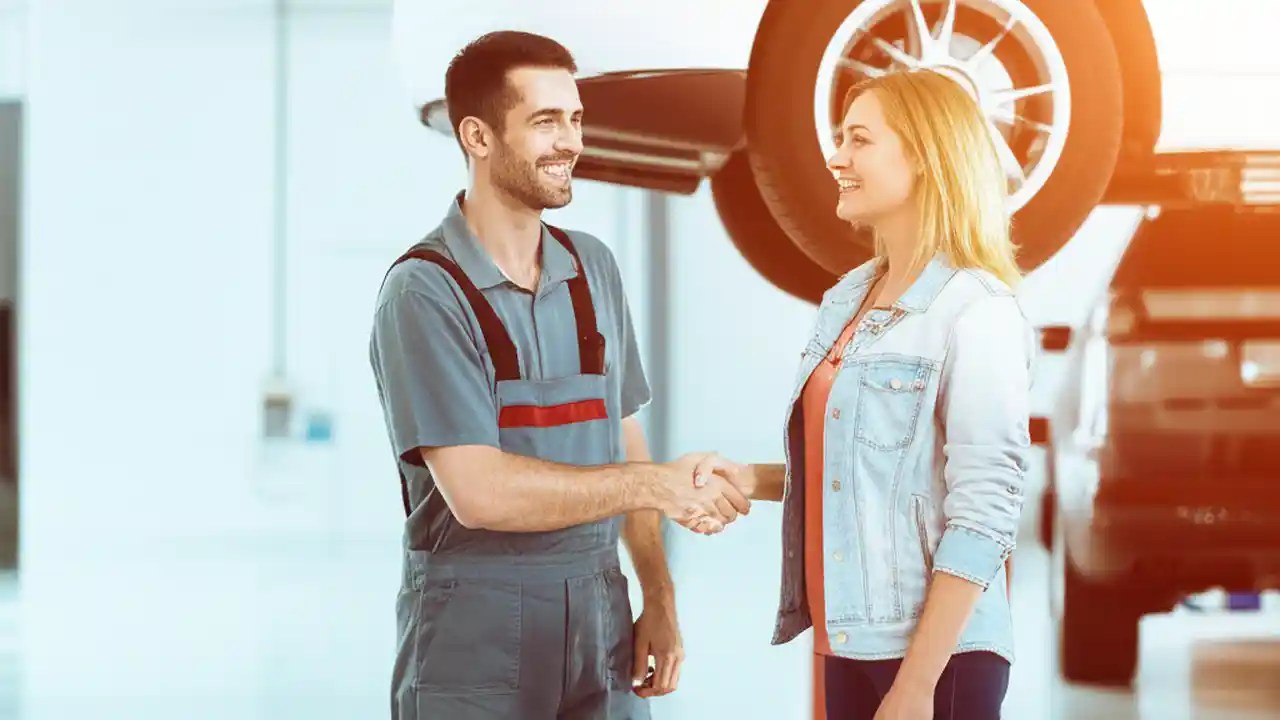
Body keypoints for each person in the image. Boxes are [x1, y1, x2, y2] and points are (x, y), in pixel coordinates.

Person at [368, 30, 749, 720]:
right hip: (473, 633)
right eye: (545, 122)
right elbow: (479, 494)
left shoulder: (593, 268)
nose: (571, 141)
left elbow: (623, 438)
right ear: (478, 138)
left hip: (599, 616)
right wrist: (654, 486)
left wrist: (657, 597)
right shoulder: (425, 293)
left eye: (574, 118)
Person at [718, 69, 1035, 719]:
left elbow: (983, 514)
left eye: (858, 140)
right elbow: (869, 471)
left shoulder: (975, 311)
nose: (837, 158)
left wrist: (918, 684)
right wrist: (745, 478)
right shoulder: (847, 301)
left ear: (922, 155)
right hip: (850, 644)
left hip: (938, 662)